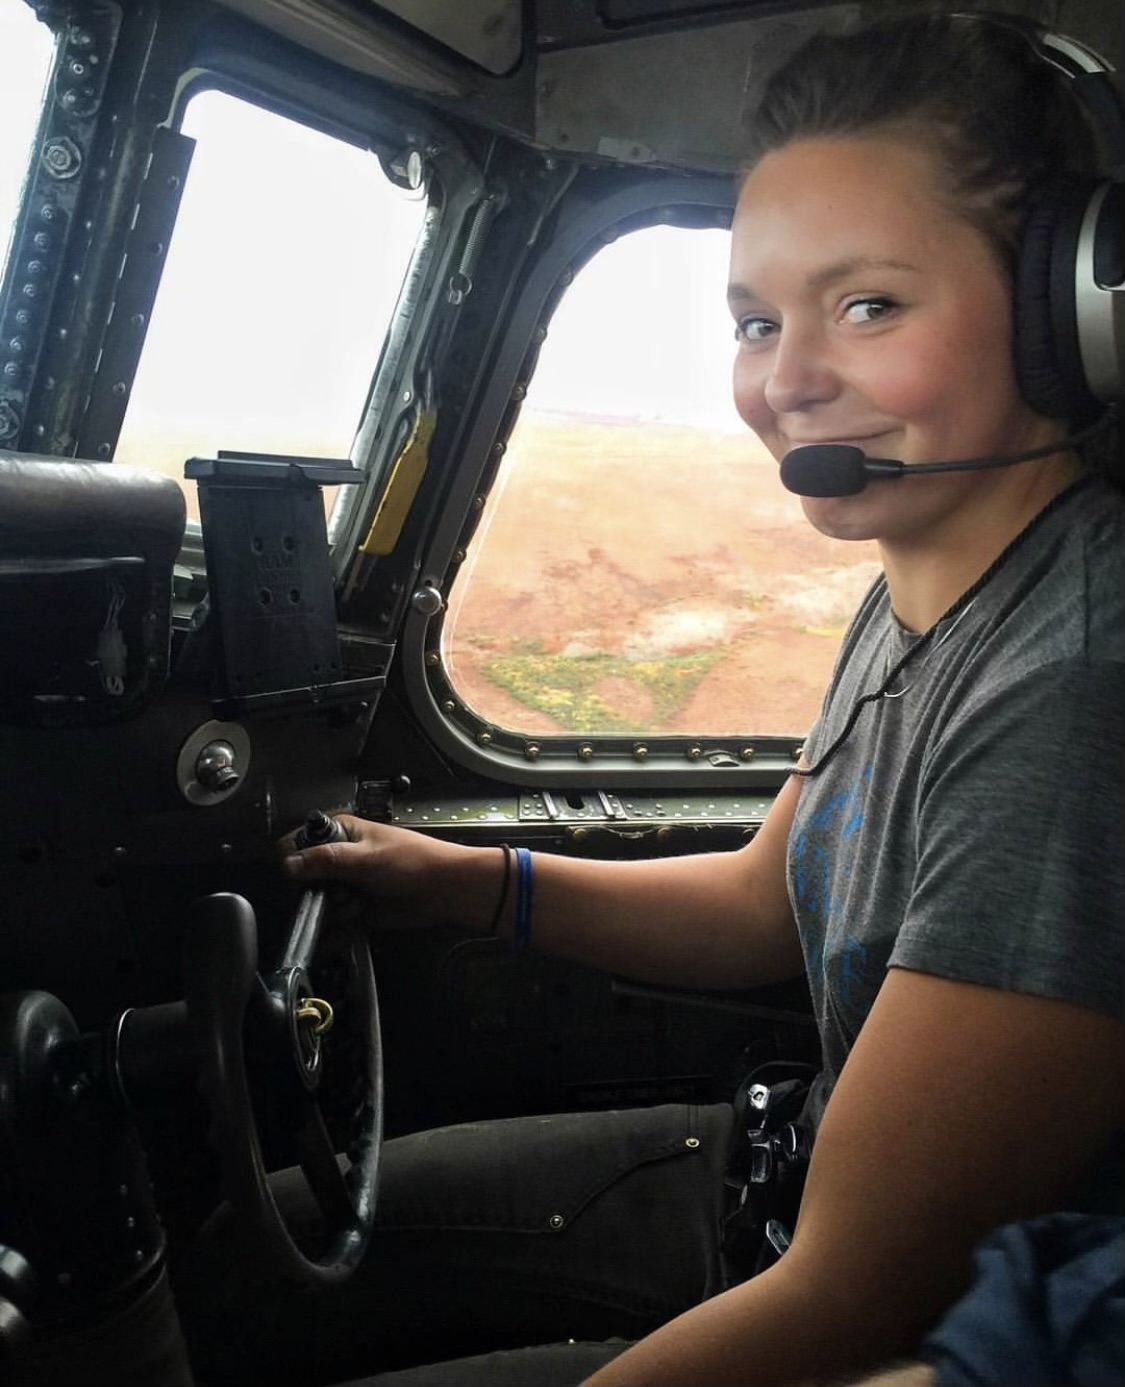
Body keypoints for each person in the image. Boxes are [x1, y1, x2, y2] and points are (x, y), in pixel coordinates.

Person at [180, 13, 1124, 1387]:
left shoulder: (1073, 686)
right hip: (769, 1176)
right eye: (756, 319)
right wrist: (468, 881)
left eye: (866, 306)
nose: (785, 381)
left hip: (902, 1320)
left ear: (1067, 317)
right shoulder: (927, 583)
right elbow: (764, 896)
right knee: (244, 1263)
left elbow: (859, 1298)